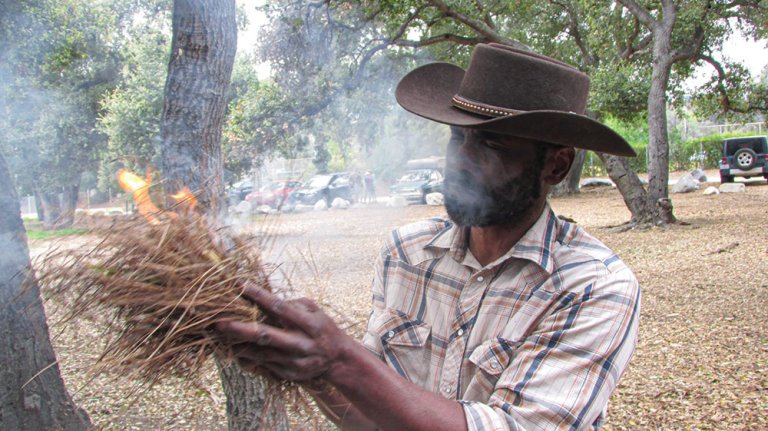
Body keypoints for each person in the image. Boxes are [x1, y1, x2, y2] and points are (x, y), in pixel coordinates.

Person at [218, 43, 641, 430]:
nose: (461, 161)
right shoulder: (407, 252)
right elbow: (376, 416)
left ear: (556, 166)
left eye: (490, 145)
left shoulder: (592, 286)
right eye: (458, 137)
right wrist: (314, 370)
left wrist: (341, 359)